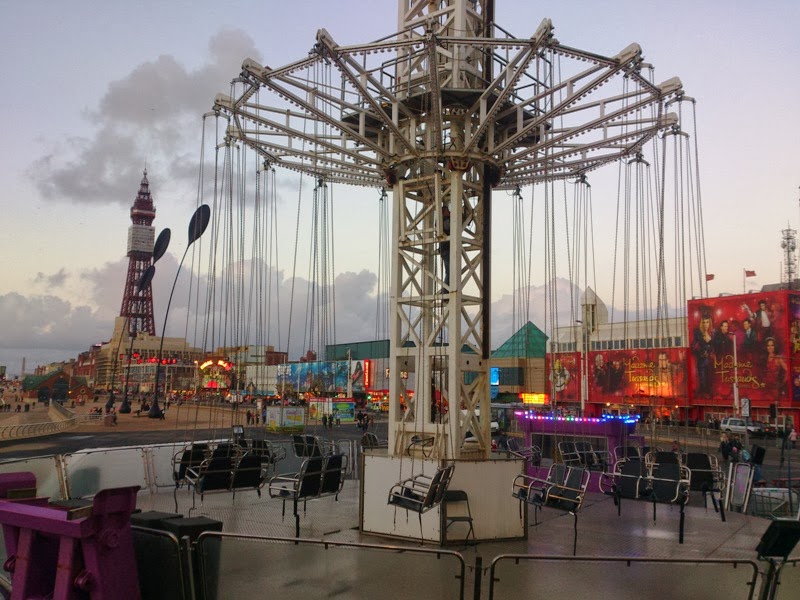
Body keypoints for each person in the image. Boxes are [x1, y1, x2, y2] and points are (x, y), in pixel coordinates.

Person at [691, 310, 714, 398]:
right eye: (704, 322)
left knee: (710, 379)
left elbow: (715, 346)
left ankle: (708, 393)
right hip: (701, 361)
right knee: (703, 379)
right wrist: (701, 353)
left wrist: (711, 352)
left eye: (707, 322)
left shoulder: (713, 333)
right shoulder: (698, 333)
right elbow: (693, 347)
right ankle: (703, 393)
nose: (705, 324)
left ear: (710, 323)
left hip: (711, 361)